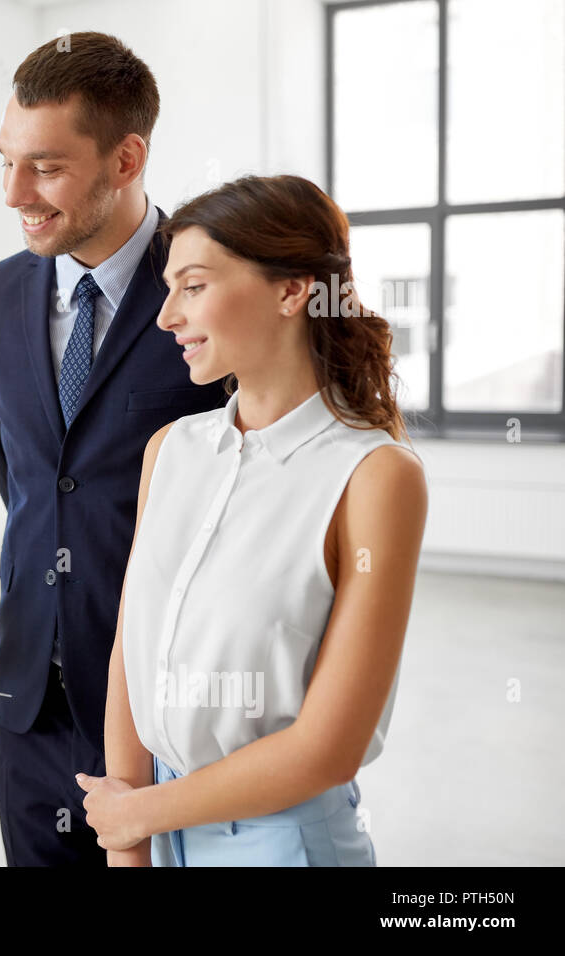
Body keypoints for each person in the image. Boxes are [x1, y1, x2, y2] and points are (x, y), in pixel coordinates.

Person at [75, 174, 428, 866]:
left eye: (194, 286)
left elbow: (329, 749)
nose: (165, 317)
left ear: (292, 291)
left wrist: (137, 814)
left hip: (280, 844)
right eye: (169, 288)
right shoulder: (169, 450)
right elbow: (131, 649)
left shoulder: (376, 476)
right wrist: (130, 846)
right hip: (154, 829)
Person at [0, 31, 229, 866]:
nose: (15, 193)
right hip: (28, 697)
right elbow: (24, 481)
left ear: (126, 159)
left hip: (169, 698)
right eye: (6, 162)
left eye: (45, 167)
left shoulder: (215, 290)